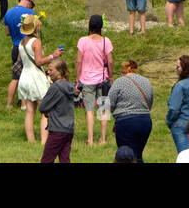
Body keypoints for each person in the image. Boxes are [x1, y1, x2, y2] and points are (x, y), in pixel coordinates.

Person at [17, 14, 59, 144]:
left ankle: (31, 140)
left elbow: (20, 60)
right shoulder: (36, 41)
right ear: (35, 28)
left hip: (24, 76)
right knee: (46, 110)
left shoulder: (22, 42)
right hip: (35, 77)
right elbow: (39, 61)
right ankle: (44, 141)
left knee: (30, 110)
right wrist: (53, 55)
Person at [75, 14, 114, 145]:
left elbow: (79, 61)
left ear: (90, 26)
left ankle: (90, 139)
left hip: (86, 80)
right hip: (102, 79)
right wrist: (111, 76)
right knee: (103, 108)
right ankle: (103, 139)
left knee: (89, 110)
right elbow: (110, 61)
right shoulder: (106, 41)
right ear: (101, 26)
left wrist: (77, 78)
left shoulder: (83, 41)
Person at [106, 59, 154, 161]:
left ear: (124, 71)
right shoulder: (146, 81)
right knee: (138, 155)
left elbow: (109, 103)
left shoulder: (120, 81)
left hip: (126, 122)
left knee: (126, 156)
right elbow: (149, 102)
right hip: (145, 121)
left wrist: (115, 114)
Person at [4, 0, 39, 109]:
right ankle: (24, 105)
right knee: (26, 77)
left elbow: (7, 32)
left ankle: (8, 104)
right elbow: (36, 30)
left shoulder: (8, 13)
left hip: (15, 47)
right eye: (31, 5)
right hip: (27, 47)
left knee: (15, 77)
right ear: (28, 2)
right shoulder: (30, 13)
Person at [38, 58, 77, 163]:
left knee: (47, 159)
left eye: (51, 70)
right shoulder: (70, 86)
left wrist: (47, 112)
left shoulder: (55, 87)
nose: (48, 72)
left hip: (57, 129)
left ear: (60, 72)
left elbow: (42, 107)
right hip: (69, 130)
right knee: (65, 159)